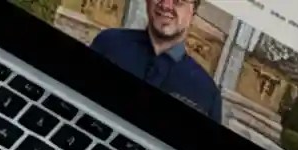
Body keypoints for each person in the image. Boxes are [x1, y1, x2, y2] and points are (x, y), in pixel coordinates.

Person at [90, 0, 223, 123]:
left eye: (178, 1)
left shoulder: (208, 94)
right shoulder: (108, 43)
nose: (165, 5)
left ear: (193, 11)